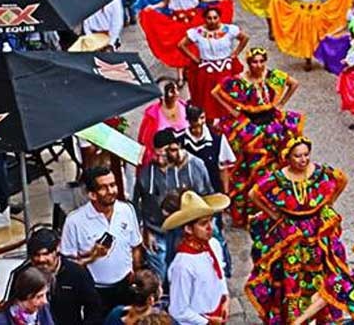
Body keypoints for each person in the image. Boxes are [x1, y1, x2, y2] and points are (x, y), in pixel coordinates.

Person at [246, 137, 349, 325]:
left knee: (324, 273)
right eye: (297, 156)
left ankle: (322, 314)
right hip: (291, 234)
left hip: (317, 232)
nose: (303, 160)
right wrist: (273, 214)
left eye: (306, 155)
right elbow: (254, 194)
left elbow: (341, 180)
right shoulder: (278, 178)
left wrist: (327, 205)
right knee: (290, 277)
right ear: (287, 157)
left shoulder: (320, 172)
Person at [212, 47, 304, 226]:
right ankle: (253, 209)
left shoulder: (271, 76)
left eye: (262, 61)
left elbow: (293, 83)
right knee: (252, 169)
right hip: (251, 130)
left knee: (276, 165)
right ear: (248, 63)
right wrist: (233, 111)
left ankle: (275, 206)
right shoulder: (240, 80)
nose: (259, 65)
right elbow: (216, 92)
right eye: (255, 62)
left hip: (273, 128)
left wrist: (281, 104)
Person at [134, 129, 213, 284]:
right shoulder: (146, 174)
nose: (159, 159)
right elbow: (137, 204)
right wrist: (144, 230)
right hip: (158, 231)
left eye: (164, 154)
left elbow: (207, 197)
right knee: (161, 276)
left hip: (187, 232)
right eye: (156, 154)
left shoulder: (195, 167)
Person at [61, 167, 144, 310]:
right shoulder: (74, 221)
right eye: (104, 188)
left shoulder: (126, 210)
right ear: (92, 194)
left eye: (113, 185)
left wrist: (136, 272)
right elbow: (68, 264)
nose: (111, 191)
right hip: (95, 290)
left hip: (126, 286)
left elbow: (135, 245)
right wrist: (93, 256)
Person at [138, 0, 231, 72]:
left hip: (194, 20)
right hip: (178, 22)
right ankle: (181, 76)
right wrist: (153, 7)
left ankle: (195, 69)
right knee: (179, 47)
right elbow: (164, 3)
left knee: (196, 46)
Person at [162, 191, 231, 325]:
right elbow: (178, 310)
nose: (210, 227)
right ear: (188, 228)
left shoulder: (214, 244)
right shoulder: (183, 265)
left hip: (217, 313)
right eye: (203, 223)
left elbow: (220, 274)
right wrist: (207, 321)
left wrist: (225, 297)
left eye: (211, 220)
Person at [175, 7, 246, 121]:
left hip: (226, 70)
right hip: (207, 71)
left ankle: (230, 122)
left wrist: (235, 53)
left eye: (215, 18)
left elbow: (244, 38)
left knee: (229, 96)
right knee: (208, 100)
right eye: (209, 18)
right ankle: (209, 124)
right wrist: (194, 59)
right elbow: (181, 45)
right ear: (204, 19)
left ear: (219, 18)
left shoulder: (229, 29)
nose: (212, 21)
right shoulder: (197, 32)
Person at [26, 226, 104, 325]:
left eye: (46, 254)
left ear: (57, 249)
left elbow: (94, 309)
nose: (41, 259)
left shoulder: (76, 273)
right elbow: (14, 309)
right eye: (36, 255)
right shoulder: (23, 276)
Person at [137, 80, 189, 164]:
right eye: (171, 91)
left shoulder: (185, 107)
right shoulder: (151, 115)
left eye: (177, 90)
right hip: (161, 161)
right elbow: (144, 141)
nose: (176, 93)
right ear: (162, 95)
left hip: (184, 158)